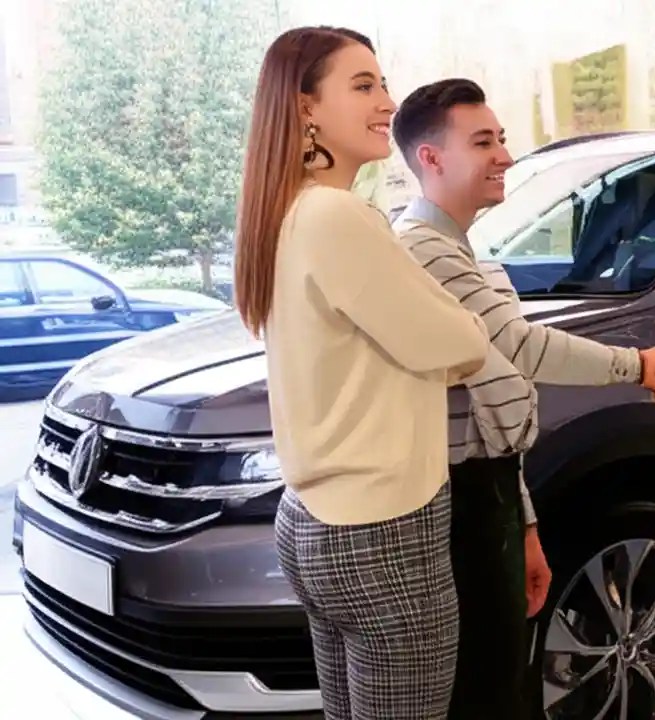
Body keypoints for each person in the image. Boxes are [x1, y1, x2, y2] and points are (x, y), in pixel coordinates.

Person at [389, 77, 655, 720]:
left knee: (501, 672)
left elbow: (498, 404)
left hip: (493, 491)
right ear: (431, 158)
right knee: (482, 686)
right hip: (457, 499)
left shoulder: (464, 254)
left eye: (502, 138)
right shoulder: (421, 251)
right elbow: (518, 348)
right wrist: (641, 364)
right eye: (483, 141)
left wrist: (525, 522)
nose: (504, 155)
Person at [233, 27, 492, 720]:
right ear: (305, 107)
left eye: (382, 82)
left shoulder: (284, 212)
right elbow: (461, 342)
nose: (387, 101)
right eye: (363, 85)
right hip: (382, 532)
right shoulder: (339, 218)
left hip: (316, 521)